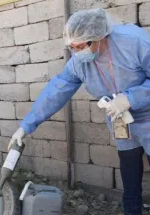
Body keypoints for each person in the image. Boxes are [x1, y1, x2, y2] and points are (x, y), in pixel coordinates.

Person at [9, 8, 150, 215]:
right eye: (72, 48)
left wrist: (130, 98)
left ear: (99, 37)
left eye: (80, 46)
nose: (76, 52)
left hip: (148, 117)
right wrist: (25, 126)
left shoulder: (134, 42)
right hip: (122, 122)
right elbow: (56, 92)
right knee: (130, 177)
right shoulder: (79, 63)